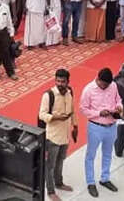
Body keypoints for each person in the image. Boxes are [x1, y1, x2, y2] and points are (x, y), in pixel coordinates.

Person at [80, 68, 123, 197]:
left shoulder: (113, 85)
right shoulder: (88, 90)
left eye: (107, 85)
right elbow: (83, 109)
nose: (105, 87)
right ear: (98, 79)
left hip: (111, 125)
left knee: (108, 154)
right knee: (91, 155)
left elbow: (118, 99)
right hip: (96, 127)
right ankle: (90, 182)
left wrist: (119, 107)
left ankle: (105, 178)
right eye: (103, 84)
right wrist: (99, 113)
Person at [39, 69, 77, 201]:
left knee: (60, 161)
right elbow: (42, 114)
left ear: (68, 82)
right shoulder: (48, 95)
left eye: (63, 81)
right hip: (52, 137)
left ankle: (59, 183)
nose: (60, 84)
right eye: (58, 81)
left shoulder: (70, 92)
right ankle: (50, 191)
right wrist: (55, 117)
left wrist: (75, 126)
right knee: (50, 165)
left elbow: (72, 110)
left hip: (65, 135)